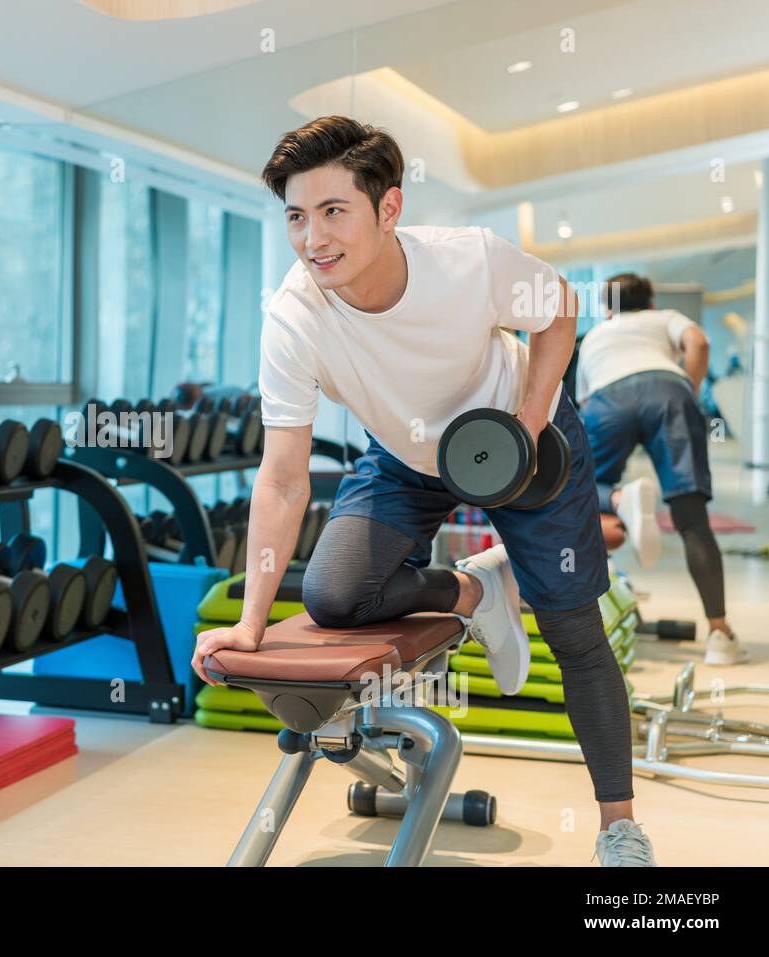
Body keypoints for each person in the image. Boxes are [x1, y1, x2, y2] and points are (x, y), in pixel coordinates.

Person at [191, 116, 653, 866]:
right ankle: (474, 592)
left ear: (390, 208)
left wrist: (529, 424)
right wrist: (248, 624)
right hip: (407, 449)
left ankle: (618, 827)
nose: (314, 239)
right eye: (297, 218)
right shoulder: (294, 316)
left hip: (512, 431)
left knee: (574, 633)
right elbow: (281, 476)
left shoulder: (467, 260)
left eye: (334, 211)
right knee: (336, 593)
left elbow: (559, 306)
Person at [577, 274, 746, 666]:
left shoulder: (597, 336)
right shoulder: (665, 318)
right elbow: (698, 343)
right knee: (691, 517)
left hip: (608, 397)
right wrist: (689, 384)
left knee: (582, 491)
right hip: (668, 390)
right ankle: (719, 634)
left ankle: (620, 500)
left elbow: (585, 399)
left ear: (607, 308)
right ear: (650, 304)